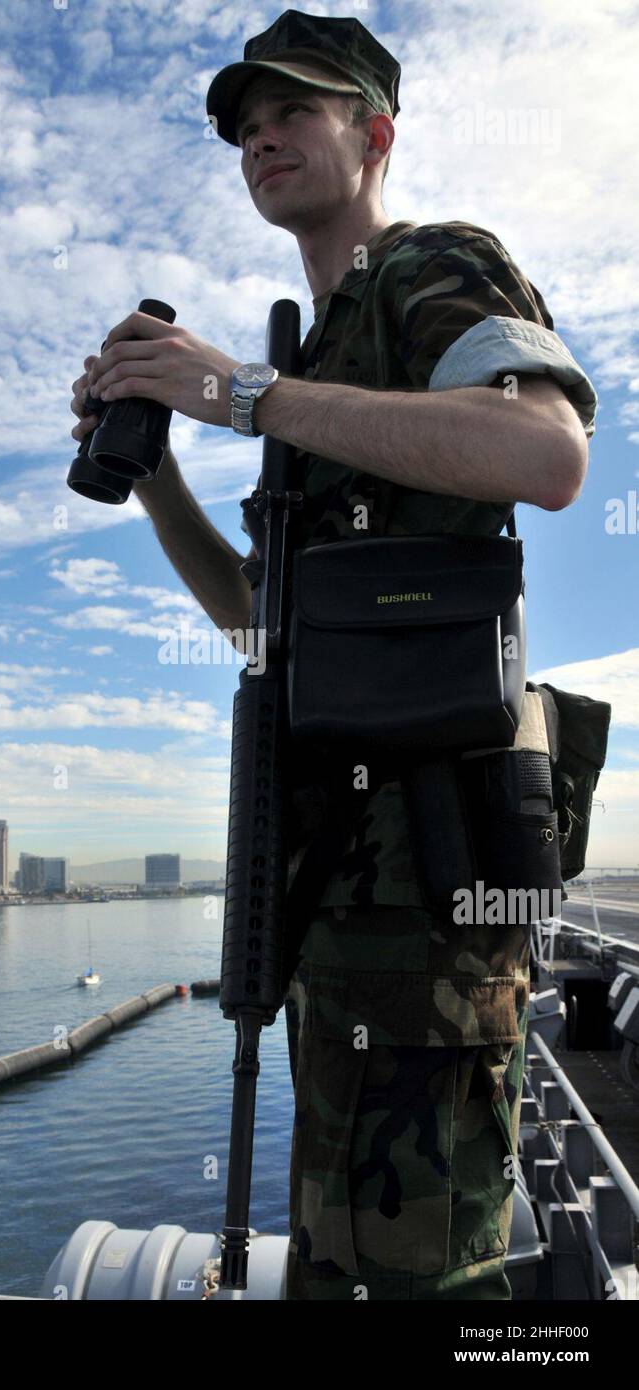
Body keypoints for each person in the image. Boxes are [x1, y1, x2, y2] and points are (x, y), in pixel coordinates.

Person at [70, 9, 598, 1300]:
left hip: (432, 900)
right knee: (334, 1264)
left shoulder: (432, 269)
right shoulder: (309, 369)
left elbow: (543, 454)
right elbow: (264, 627)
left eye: (291, 113)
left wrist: (240, 393)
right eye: (245, 128)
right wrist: (161, 471)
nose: (260, 140)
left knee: (422, 1280)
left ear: (374, 134)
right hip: (337, 904)